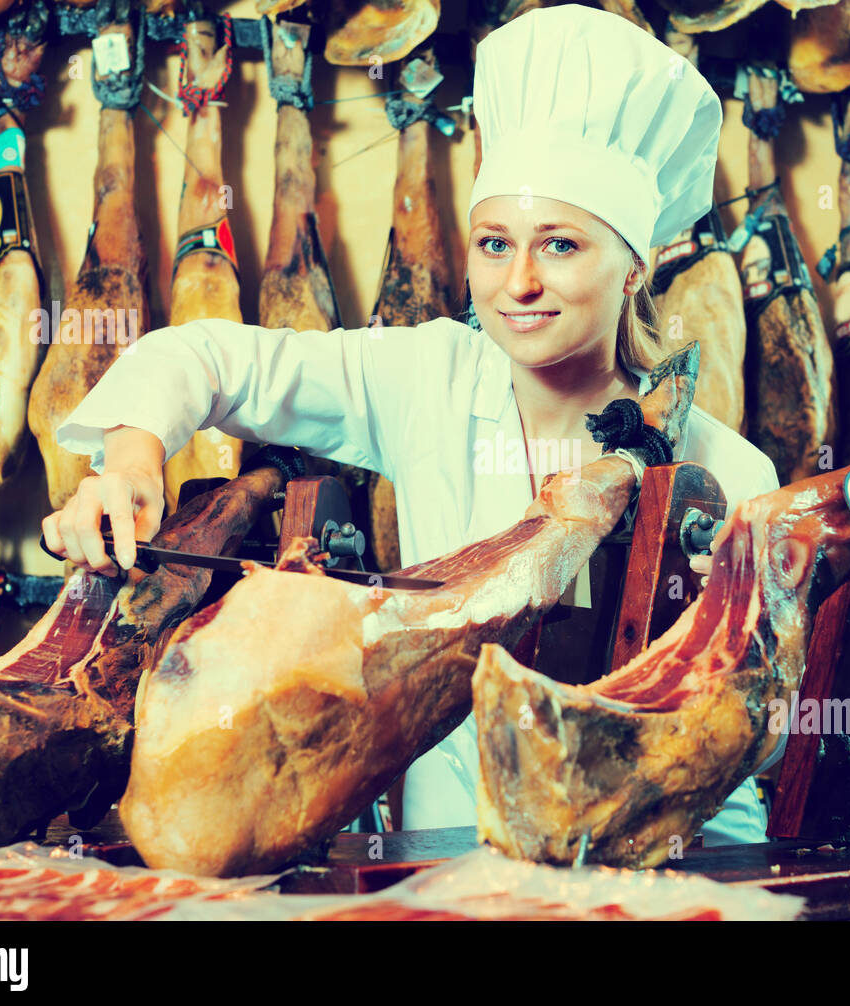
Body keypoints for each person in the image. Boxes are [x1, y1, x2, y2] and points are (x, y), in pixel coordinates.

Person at [44, 4, 785, 844]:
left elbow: (758, 744)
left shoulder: (730, 472)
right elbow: (203, 356)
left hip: (670, 878)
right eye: (495, 244)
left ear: (634, 264)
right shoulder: (428, 377)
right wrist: (131, 463)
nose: (520, 283)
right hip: (442, 877)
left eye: (563, 246)